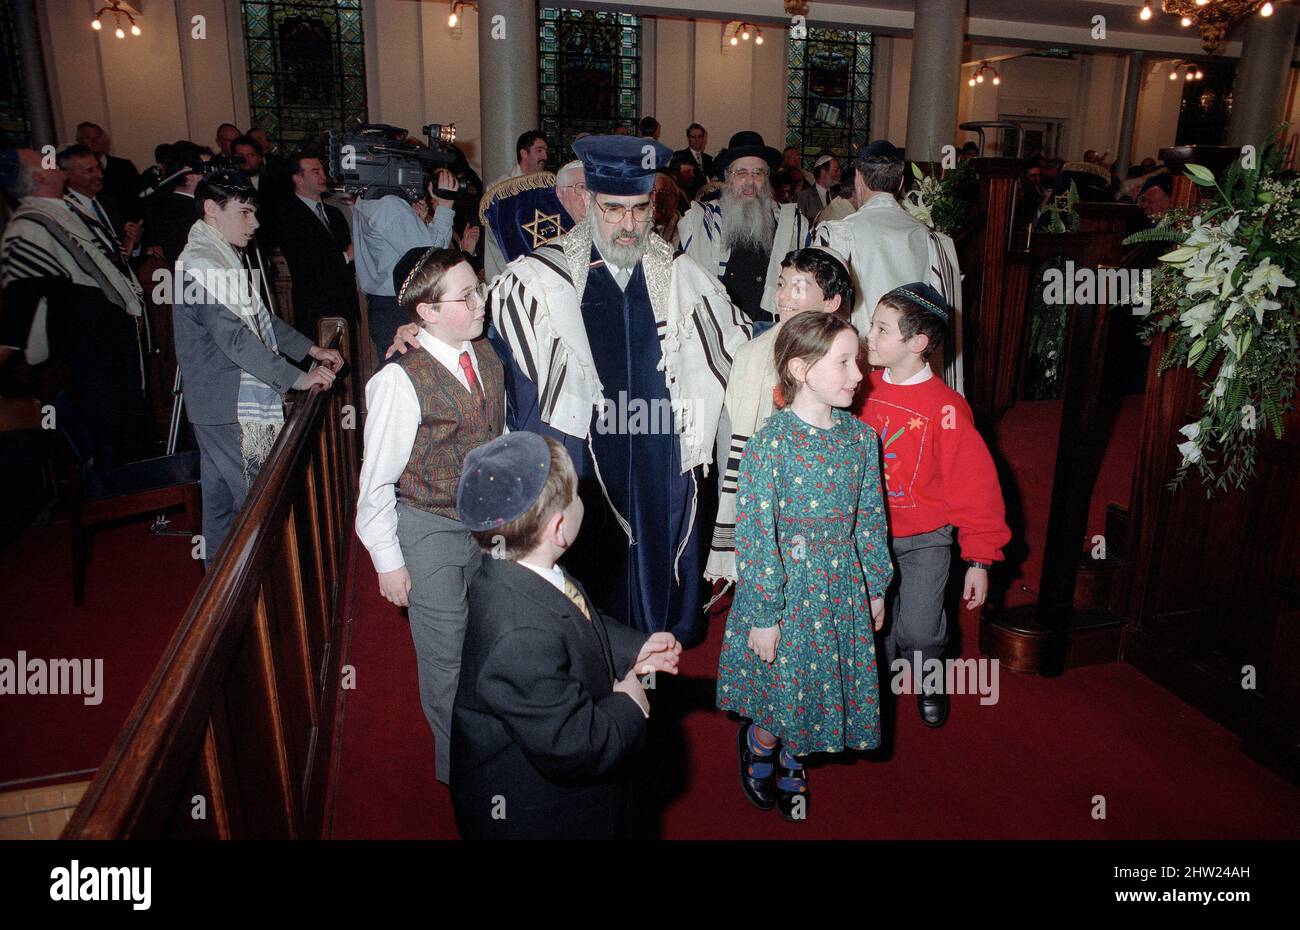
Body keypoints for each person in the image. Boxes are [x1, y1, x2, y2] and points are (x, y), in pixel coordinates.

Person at [486, 134, 751, 643]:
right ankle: (590, 638)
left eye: (638, 209)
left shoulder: (678, 272)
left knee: (659, 533)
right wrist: (425, 331)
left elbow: (736, 346)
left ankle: (656, 632)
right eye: (613, 210)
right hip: (587, 447)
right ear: (588, 203)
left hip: (658, 444)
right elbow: (491, 331)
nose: (628, 225)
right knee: (591, 549)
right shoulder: (545, 274)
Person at [450, 432, 682, 839]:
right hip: (538, 811)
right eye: (576, 494)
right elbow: (575, 745)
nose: (582, 498)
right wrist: (630, 701)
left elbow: (575, 616)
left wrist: (632, 649)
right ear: (559, 528)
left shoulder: (520, 566)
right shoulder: (518, 637)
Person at [716, 311, 893, 820]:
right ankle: (762, 742)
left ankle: (796, 752)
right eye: (843, 362)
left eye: (857, 360)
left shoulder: (861, 439)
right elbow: (755, 537)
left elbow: (869, 520)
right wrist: (765, 613)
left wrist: (875, 585)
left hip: (840, 587)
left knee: (822, 684)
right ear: (800, 369)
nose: (859, 373)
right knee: (784, 690)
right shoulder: (769, 445)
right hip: (785, 590)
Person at [356, 246, 505, 784]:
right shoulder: (400, 380)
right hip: (429, 527)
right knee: (445, 662)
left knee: (488, 644)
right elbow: (375, 481)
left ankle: (494, 748)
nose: (481, 302)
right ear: (427, 312)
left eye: (479, 288)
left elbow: (494, 435)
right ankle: (461, 777)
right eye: (467, 296)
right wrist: (387, 561)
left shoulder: (483, 353)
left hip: (488, 528)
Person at [856, 283, 1009, 726]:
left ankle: (929, 678)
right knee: (873, 623)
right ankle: (876, 689)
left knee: (919, 630)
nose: (871, 336)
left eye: (882, 330)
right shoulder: (860, 387)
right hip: (869, 536)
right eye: (873, 325)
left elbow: (974, 485)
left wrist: (979, 557)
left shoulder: (947, 408)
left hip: (926, 538)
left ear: (917, 343)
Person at [173, 170, 340, 562]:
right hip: (225, 403)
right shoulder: (202, 264)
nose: (255, 223)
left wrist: (310, 350)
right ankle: (258, 594)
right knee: (257, 505)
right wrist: (297, 378)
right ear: (212, 209)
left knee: (222, 505)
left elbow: (261, 320)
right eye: (245, 213)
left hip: (216, 402)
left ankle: (218, 586)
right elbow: (235, 339)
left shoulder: (216, 254)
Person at [707, 247, 853, 586]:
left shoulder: (848, 357)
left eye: (798, 288)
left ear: (831, 301)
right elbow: (733, 450)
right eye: (782, 284)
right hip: (772, 501)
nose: (783, 297)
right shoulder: (751, 356)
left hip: (827, 504)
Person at [0, 148, 153, 468]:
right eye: (45, 162)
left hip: (114, 350)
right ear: (38, 177)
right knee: (114, 447)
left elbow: (108, 267)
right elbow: (17, 320)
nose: (53, 161)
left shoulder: (67, 210)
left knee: (133, 437)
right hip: (91, 358)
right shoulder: (28, 228)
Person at [814, 139, 962, 331]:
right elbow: (942, 317)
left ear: (858, 178)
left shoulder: (835, 234)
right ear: (901, 182)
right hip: (908, 353)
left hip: (854, 354)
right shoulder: (931, 239)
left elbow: (818, 313)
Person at [678, 130, 812, 331]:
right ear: (727, 177)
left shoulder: (791, 223)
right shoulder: (702, 220)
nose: (750, 182)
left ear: (767, 177)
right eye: (741, 173)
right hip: (718, 331)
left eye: (758, 173)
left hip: (771, 330)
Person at [352, 169, 457, 360]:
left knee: (398, 368)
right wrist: (445, 206)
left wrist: (418, 222)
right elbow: (431, 257)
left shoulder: (367, 198)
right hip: (398, 305)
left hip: (382, 304)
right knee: (409, 371)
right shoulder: (389, 205)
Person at [276, 152, 359, 344]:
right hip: (315, 306)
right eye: (315, 171)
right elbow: (304, 262)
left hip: (343, 301)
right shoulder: (288, 215)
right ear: (298, 179)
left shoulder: (334, 213)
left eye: (322, 170)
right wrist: (346, 257)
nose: (323, 176)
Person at [58, 144, 140, 265]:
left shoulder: (108, 203)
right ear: (67, 175)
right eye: (90, 170)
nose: (100, 175)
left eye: (98, 168)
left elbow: (127, 254)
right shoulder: (65, 211)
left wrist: (134, 242)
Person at [143, 143, 211, 266]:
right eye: (208, 170)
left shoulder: (172, 204)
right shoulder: (179, 212)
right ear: (189, 174)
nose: (214, 176)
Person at [75, 122, 141, 220]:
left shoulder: (124, 166)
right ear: (80, 142)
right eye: (89, 138)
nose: (95, 141)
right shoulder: (77, 171)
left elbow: (137, 199)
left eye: (98, 137)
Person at [797, 153, 840, 223]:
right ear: (823, 172)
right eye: (836, 170)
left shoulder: (838, 196)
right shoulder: (804, 197)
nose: (839, 174)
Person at [673, 123, 712, 197]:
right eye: (693, 136)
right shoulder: (679, 157)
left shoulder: (708, 159)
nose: (697, 140)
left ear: (704, 139)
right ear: (688, 138)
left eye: (700, 136)